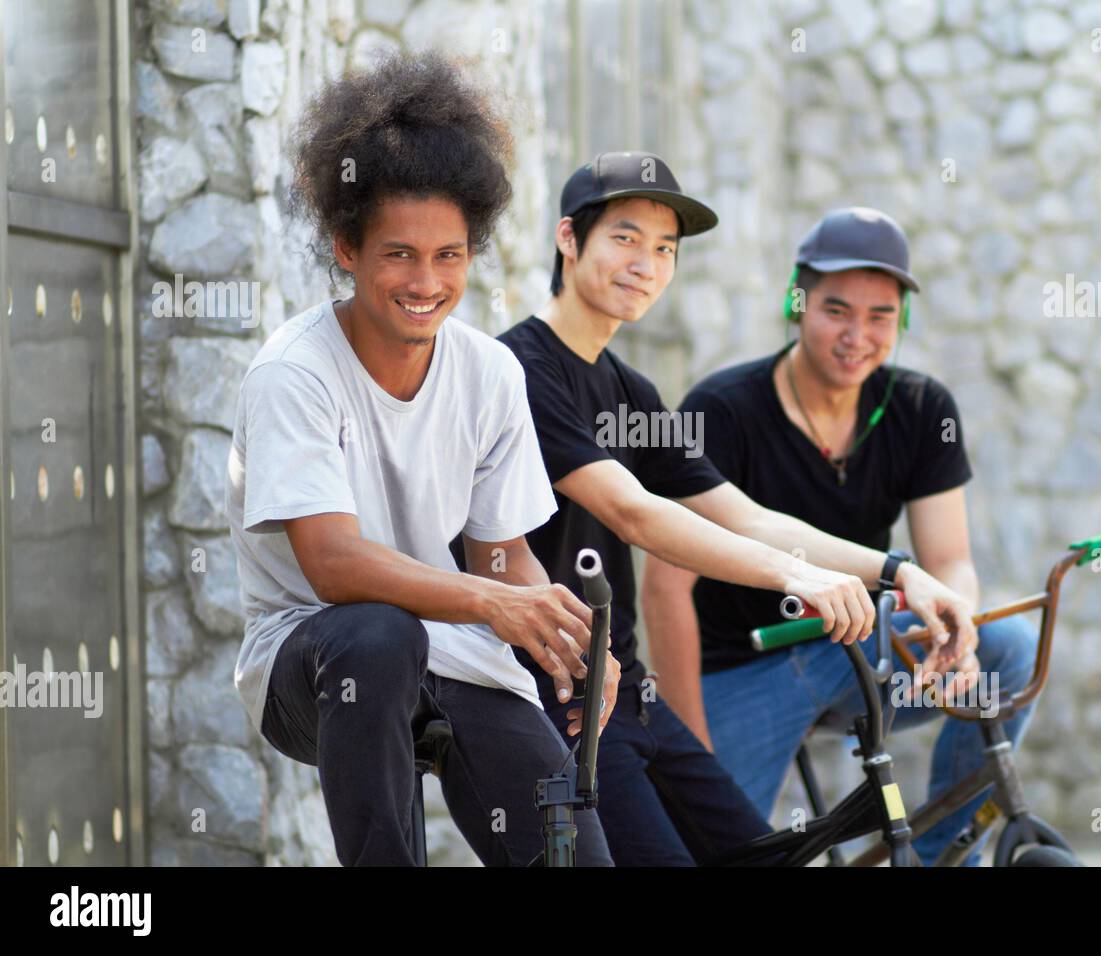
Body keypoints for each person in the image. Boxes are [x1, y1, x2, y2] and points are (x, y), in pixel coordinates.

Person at [495, 153, 979, 865]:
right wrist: (796, 578)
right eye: (625, 239)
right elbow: (636, 515)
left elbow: (744, 515)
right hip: (555, 693)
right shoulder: (521, 370)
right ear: (569, 240)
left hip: (627, 688)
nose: (647, 264)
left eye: (665, 249)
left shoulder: (632, 391)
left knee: (762, 855)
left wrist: (898, 571)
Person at [225, 53, 616, 867]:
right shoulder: (293, 373)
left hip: (456, 653)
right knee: (378, 636)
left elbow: (502, 555)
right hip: (313, 661)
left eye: (449, 255)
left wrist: (568, 637)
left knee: (572, 855)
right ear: (345, 246)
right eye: (399, 253)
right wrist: (492, 606)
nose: (426, 282)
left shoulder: (490, 373)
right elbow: (332, 566)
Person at [642, 207, 1040, 866]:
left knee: (1008, 647)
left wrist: (954, 630)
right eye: (836, 310)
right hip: (743, 667)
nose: (858, 335)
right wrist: (693, 745)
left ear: (902, 320)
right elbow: (664, 589)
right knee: (709, 853)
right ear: (796, 305)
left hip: (862, 649)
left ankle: (943, 857)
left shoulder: (920, 408)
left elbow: (949, 564)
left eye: (881, 315)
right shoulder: (723, 409)